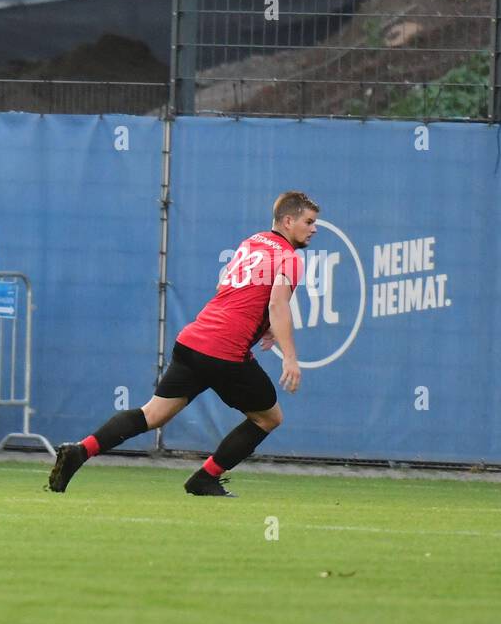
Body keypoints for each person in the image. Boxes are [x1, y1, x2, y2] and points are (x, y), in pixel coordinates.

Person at [47, 190, 318, 498]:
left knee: (153, 415)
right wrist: (290, 358)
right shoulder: (289, 258)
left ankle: (80, 451)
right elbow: (277, 305)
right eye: (308, 222)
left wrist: (264, 326)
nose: (313, 229)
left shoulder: (252, 242)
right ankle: (206, 477)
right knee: (269, 418)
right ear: (288, 221)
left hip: (193, 341)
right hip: (225, 352)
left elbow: (226, 287)